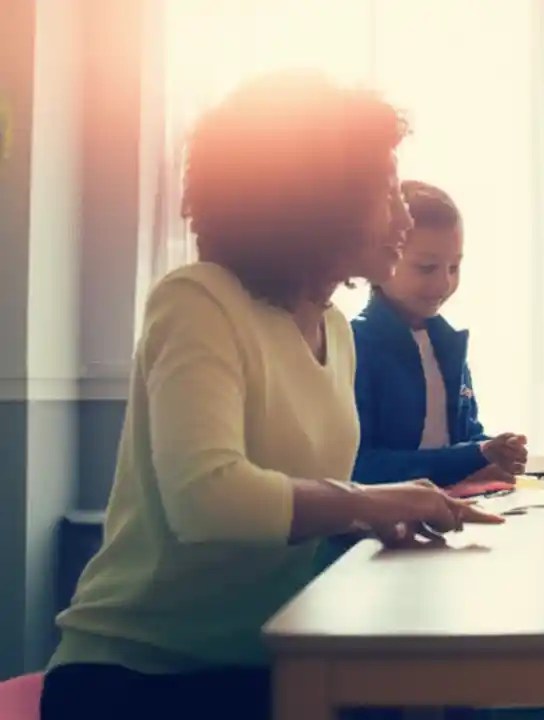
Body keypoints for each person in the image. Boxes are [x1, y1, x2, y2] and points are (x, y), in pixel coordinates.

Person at [40, 71, 502, 720]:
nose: (402, 215)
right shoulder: (197, 300)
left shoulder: (337, 332)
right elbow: (209, 500)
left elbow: (301, 501)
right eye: (386, 192)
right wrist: (371, 502)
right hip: (137, 677)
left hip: (266, 664)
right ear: (316, 199)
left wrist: (378, 515)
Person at [351, 180, 527, 490]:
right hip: (385, 527)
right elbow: (360, 466)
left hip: (451, 514)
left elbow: (464, 436)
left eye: (454, 267)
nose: (444, 284)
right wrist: (472, 456)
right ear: (385, 255)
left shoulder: (448, 344)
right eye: (427, 267)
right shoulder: (357, 346)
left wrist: (497, 450)